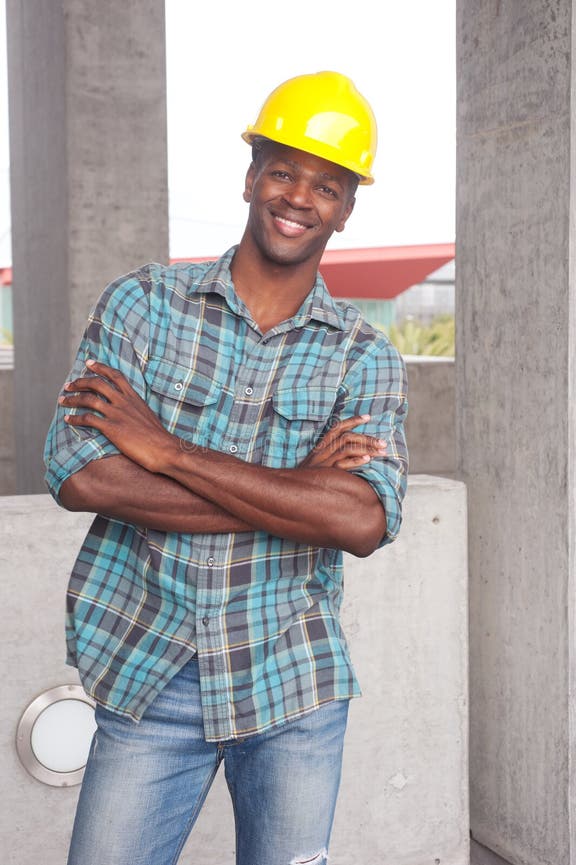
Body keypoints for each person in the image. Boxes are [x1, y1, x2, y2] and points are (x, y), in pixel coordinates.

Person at [44, 70, 408, 865]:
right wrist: (298, 485)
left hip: (293, 683)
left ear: (346, 209)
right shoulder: (143, 304)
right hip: (149, 665)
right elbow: (80, 475)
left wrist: (169, 452)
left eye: (326, 184)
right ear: (251, 177)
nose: (298, 197)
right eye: (283, 171)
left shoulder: (362, 354)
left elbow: (361, 519)